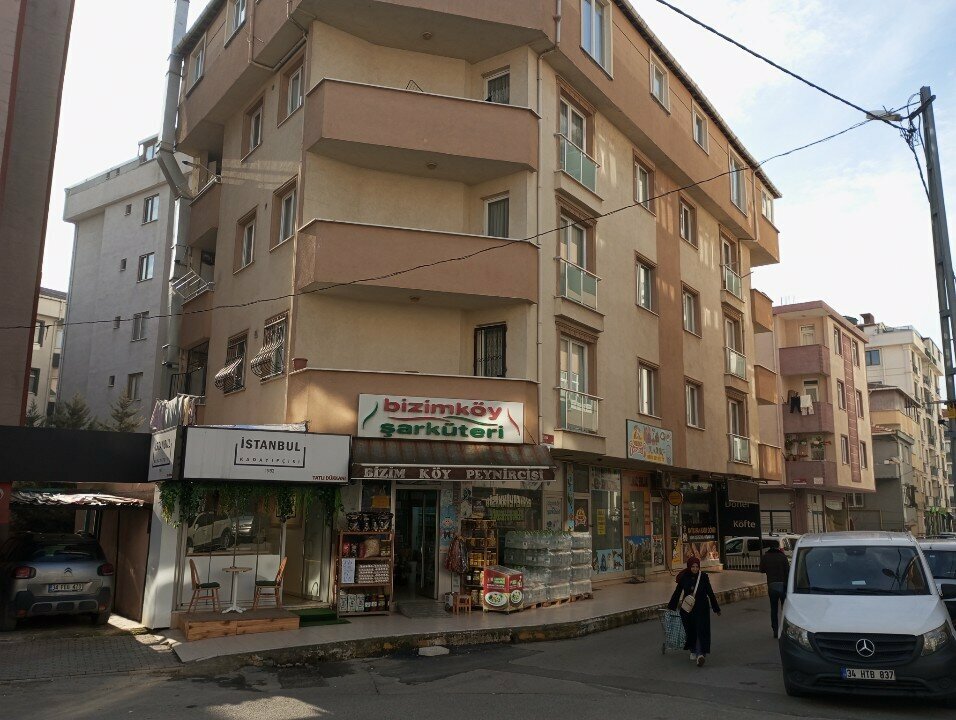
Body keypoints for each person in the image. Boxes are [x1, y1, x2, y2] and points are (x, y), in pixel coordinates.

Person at [668, 557, 721, 667]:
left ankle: (700, 654)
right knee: (691, 630)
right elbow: (677, 592)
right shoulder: (684, 577)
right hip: (688, 610)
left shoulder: (703, 577)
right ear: (689, 566)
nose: (695, 569)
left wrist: (716, 608)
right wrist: (671, 606)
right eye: (693, 566)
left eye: (697, 567)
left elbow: (710, 593)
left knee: (700, 630)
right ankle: (693, 650)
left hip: (702, 609)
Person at [759, 545, 790, 638]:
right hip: (783, 585)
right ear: (778, 548)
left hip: (772, 585)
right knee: (785, 609)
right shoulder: (783, 557)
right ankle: (785, 629)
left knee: (774, 609)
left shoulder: (765, 557)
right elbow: (788, 571)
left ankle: (775, 630)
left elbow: (761, 570)